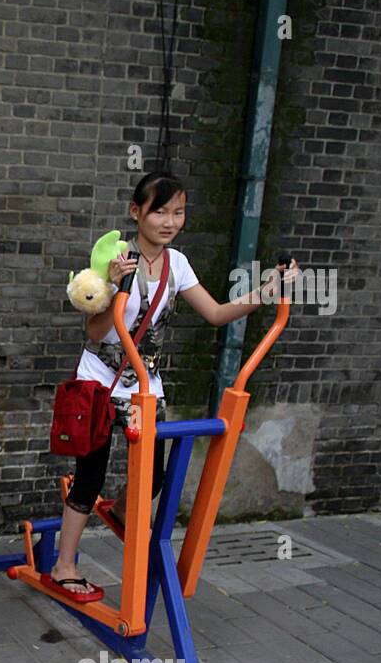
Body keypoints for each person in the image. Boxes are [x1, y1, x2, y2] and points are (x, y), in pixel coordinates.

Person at [48, 170, 298, 600]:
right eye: (159, 211)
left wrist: (268, 290)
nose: (168, 221)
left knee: (156, 474)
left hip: (147, 386)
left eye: (178, 212)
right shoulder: (113, 255)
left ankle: (125, 511)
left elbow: (216, 313)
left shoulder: (177, 263)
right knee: (90, 476)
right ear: (136, 212)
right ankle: (64, 566)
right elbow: (94, 330)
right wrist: (115, 282)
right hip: (100, 383)